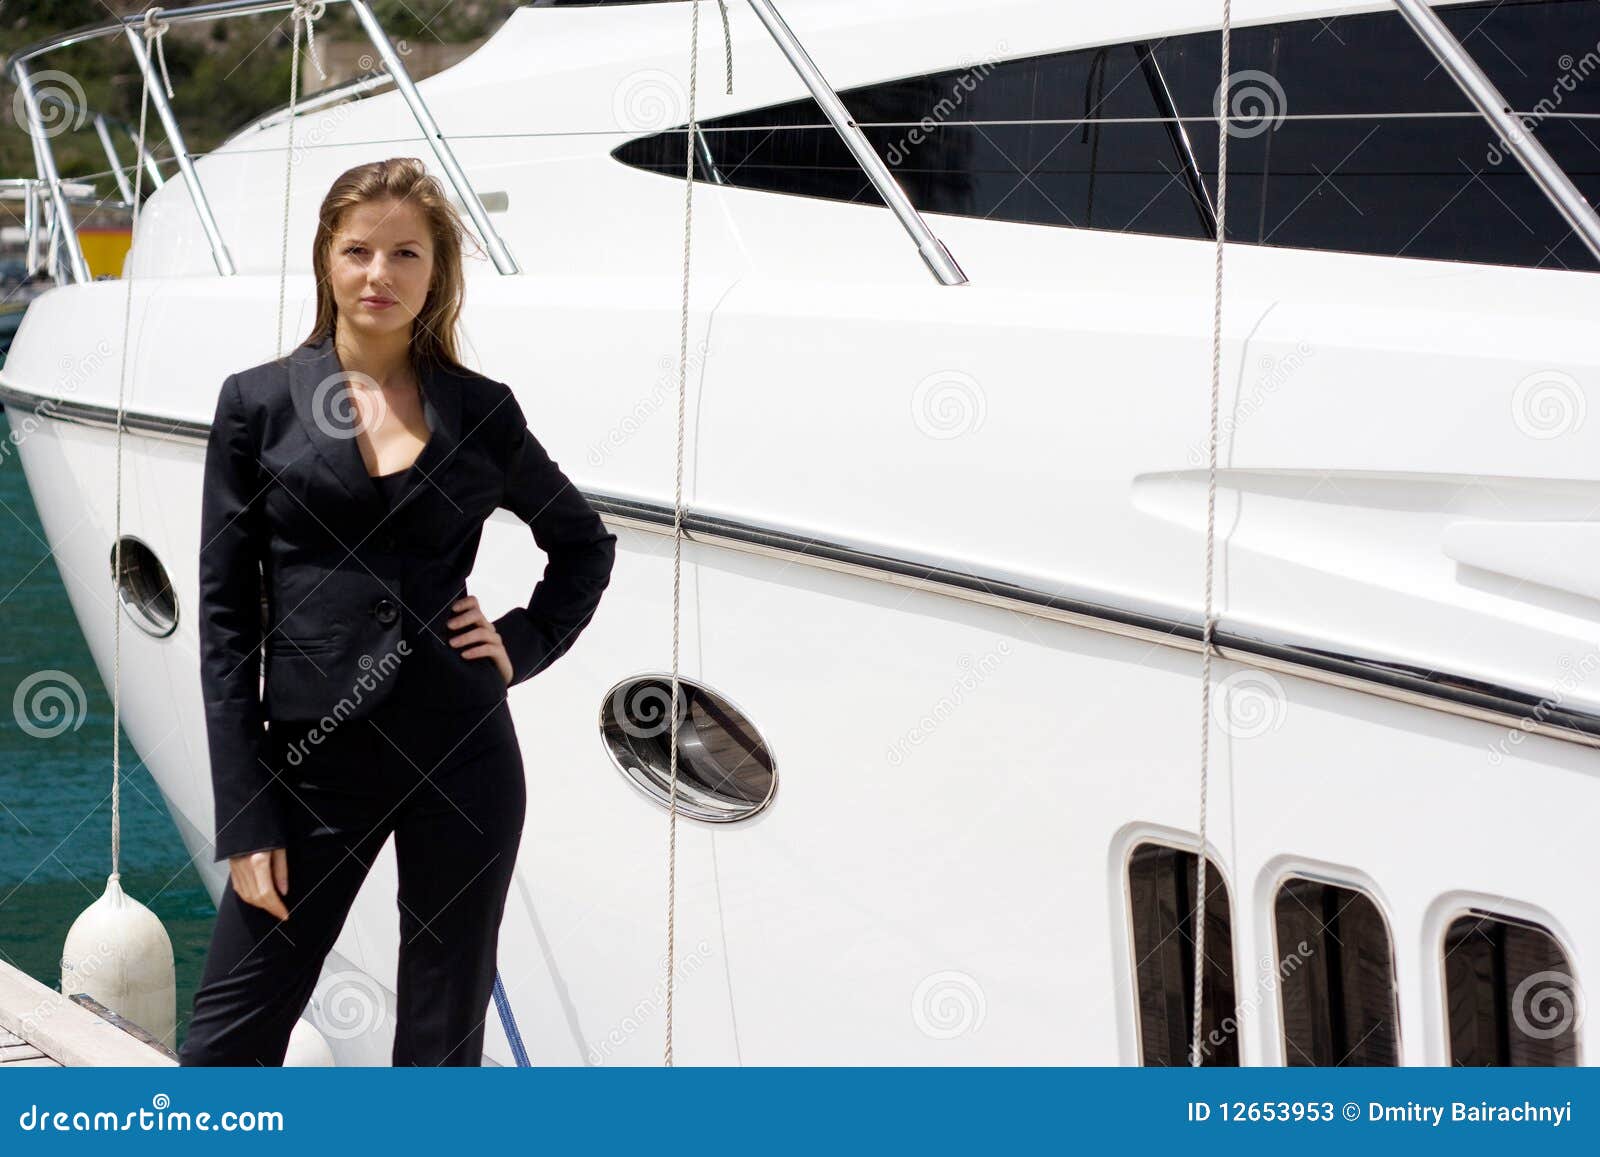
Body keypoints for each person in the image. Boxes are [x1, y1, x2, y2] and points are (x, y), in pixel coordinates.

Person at [178, 157, 617, 1066]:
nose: (380, 274)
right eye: (359, 251)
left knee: (439, 1038)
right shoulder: (255, 406)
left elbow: (583, 544)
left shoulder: (483, 412)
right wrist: (246, 812)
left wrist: (519, 644)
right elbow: (224, 623)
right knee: (229, 1038)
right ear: (327, 263)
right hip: (311, 762)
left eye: (405, 253)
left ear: (437, 271)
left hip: (463, 753)